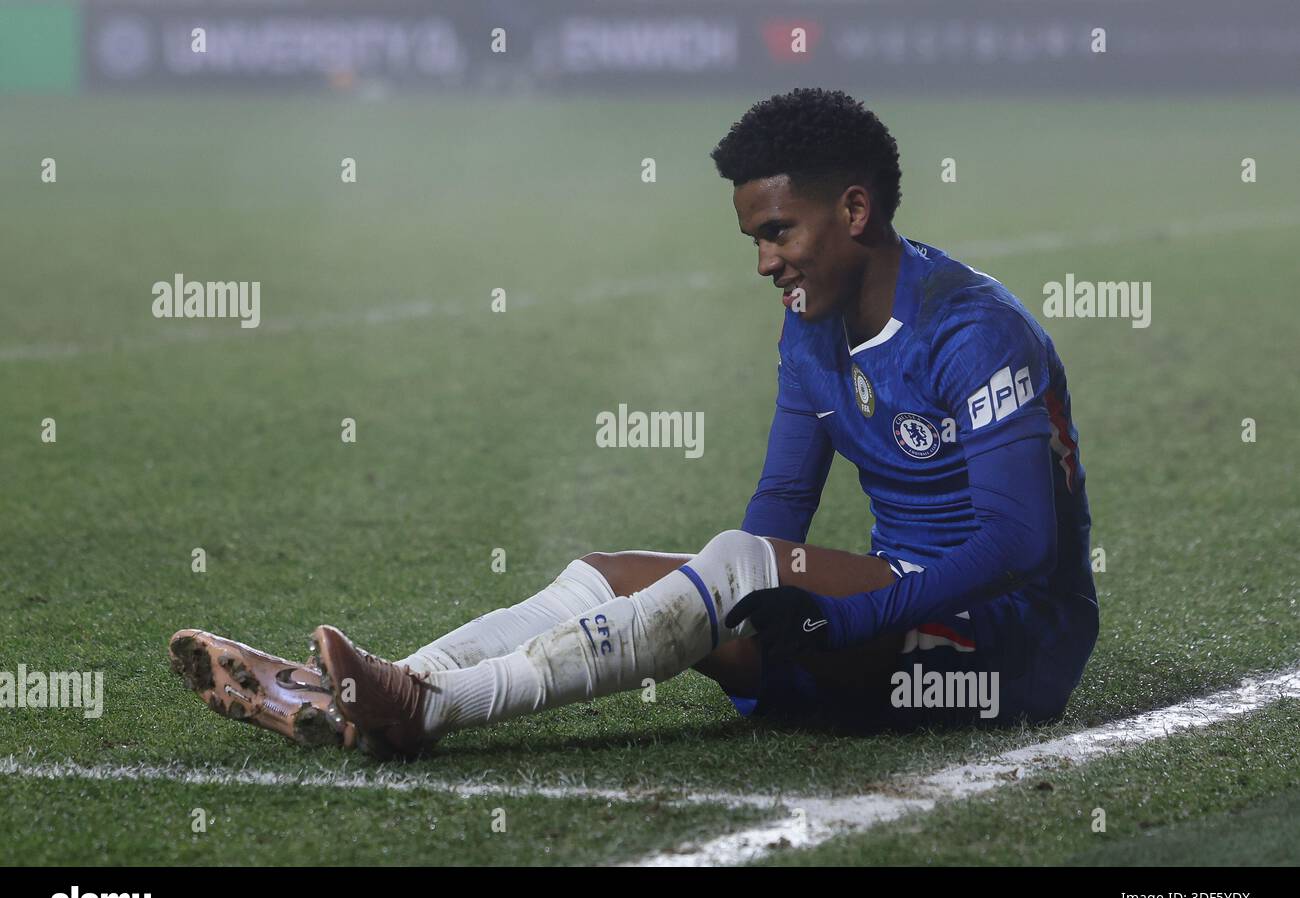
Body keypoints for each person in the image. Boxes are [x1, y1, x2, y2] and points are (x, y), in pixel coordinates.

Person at [170, 88, 1098, 758]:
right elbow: (781, 501)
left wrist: (837, 621)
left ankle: (425, 709)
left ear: (855, 209)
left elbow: (1019, 541)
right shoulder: (811, 327)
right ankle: (371, 685)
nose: (765, 263)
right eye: (755, 240)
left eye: (779, 232)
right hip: (888, 619)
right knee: (612, 574)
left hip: (1007, 647)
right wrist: (758, 609)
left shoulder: (977, 332)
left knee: (733, 565)